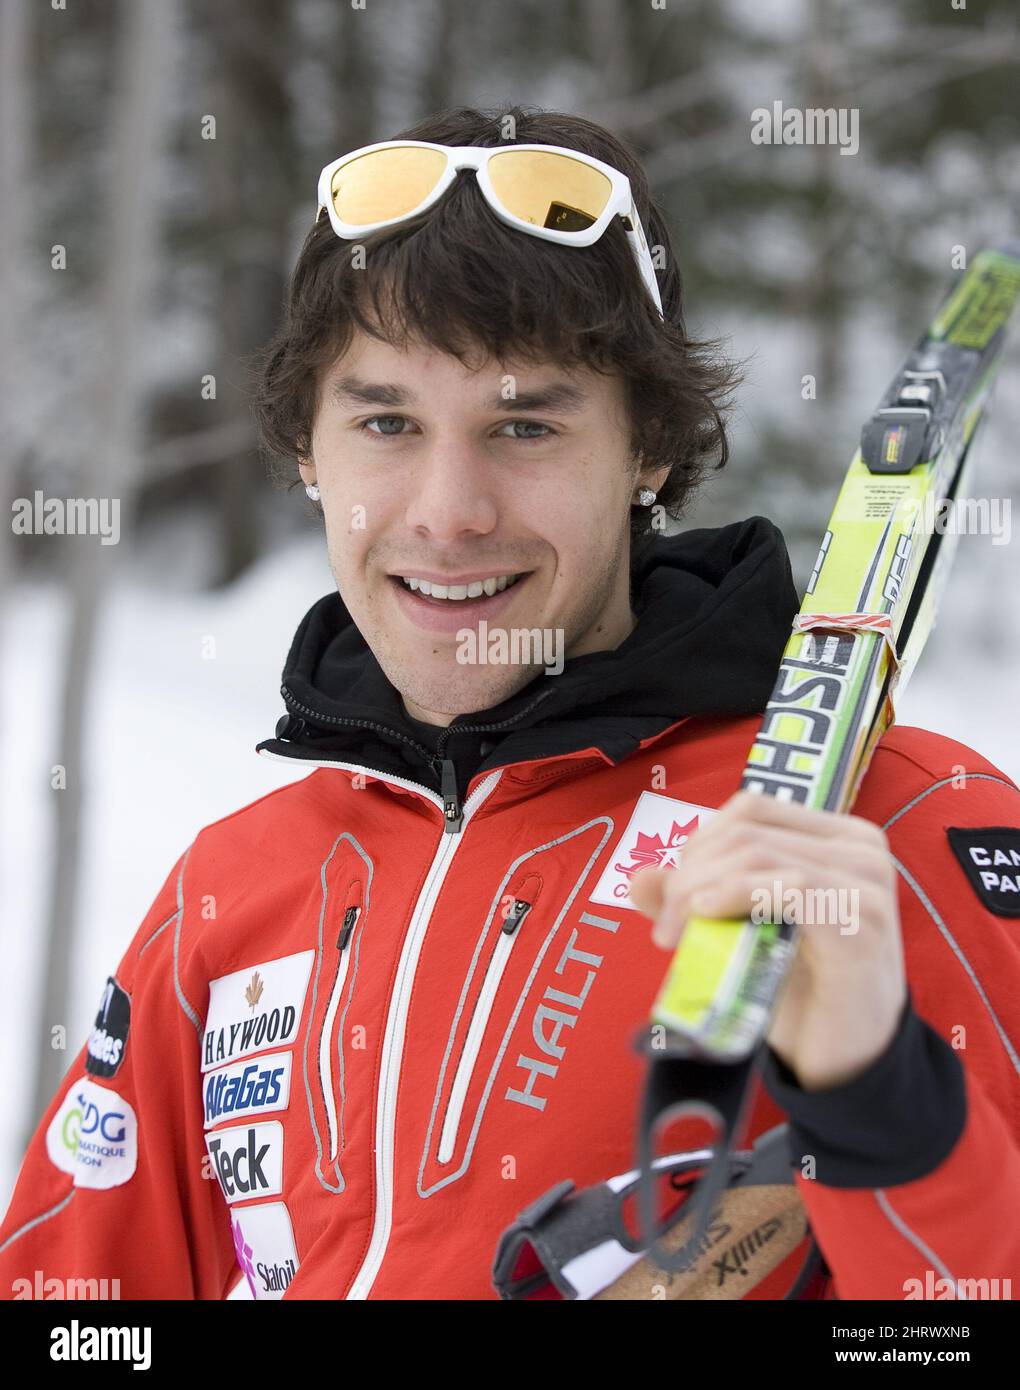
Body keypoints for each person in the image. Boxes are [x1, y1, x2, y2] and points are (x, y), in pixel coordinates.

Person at [2, 105, 1018, 1302]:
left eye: (525, 423)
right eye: (386, 422)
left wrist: (878, 1106)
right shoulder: (230, 894)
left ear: (648, 447)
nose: (448, 512)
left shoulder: (881, 833)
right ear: (309, 452)